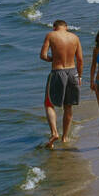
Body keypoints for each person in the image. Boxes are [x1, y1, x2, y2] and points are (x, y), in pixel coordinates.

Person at [40, 19, 83, 147]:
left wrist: (52, 59)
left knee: (49, 104)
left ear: (54, 27)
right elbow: (80, 60)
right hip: (73, 72)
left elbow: (42, 55)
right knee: (68, 106)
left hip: (58, 72)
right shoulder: (75, 37)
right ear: (66, 27)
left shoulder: (51, 35)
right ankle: (65, 137)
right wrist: (79, 76)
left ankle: (54, 133)